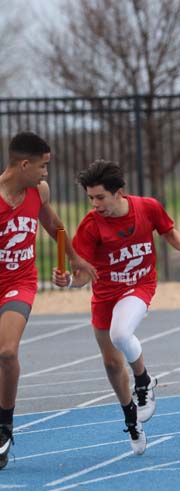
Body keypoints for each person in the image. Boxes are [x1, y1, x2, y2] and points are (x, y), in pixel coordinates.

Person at [52, 159, 180, 455]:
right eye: (90, 198)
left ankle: (144, 380)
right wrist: (69, 281)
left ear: (118, 192)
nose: (95, 204)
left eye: (100, 197)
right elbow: (83, 274)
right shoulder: (90, 225)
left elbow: (168, 230)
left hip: (139, 285)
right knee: (111, 363)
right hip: (105, 295)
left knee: (121, 334)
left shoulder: (147, 207)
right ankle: (131, 419)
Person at [0, 132, 97, 469]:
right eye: (42, 166)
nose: (46, 173)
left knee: (7, 351)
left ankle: (5, 424)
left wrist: (70, 259)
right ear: (24, 164)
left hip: (19, 282)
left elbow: (54, 226)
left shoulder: (38, 192)